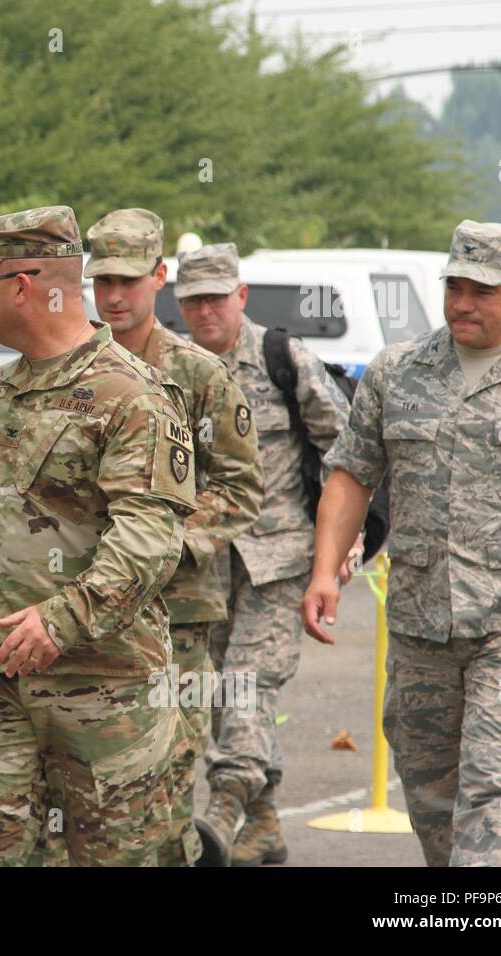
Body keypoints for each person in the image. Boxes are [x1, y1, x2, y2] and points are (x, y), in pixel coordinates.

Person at [0, 205, 198, 866]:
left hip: (102, 690)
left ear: (22, 284)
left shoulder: (129, 395)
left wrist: (61, 620)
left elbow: (149, 540)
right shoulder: (0, 393)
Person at [303, 220, 501, 867]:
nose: (463, 302)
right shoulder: (398, 372)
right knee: (433, 802)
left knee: (491, 792)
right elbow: (353, 473)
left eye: (483, 290)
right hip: (420, 628)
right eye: (455, 286)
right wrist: (325, 572)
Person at [86, 209, 263, 866]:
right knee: (89, 789)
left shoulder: (197, 374)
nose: (112, 295)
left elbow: (242, 486)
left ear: (158, 277)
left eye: (128, 279)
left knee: (166, 782)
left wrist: (165, 540)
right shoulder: (72, 367)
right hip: (86, 612)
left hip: (176, 613)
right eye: (101, 279)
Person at [175, 242, 352, 866]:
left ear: (240, 297)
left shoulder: (283, 358)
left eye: (216, 298)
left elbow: (348, 454)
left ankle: (223, 809)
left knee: (249, 688)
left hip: (280, 562)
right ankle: (266, 823)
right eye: (193, 300)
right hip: (202, 565)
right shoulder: (173, 368)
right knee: (220, 696)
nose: (206, 311)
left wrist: (340, 550)